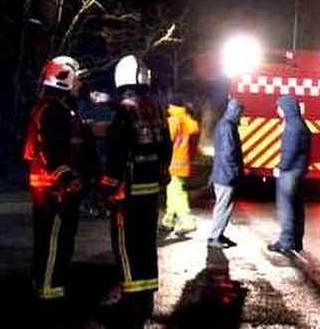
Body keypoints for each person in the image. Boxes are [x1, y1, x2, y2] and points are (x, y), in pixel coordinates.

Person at [100, 55, 171, 318]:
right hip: (150, 188)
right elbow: (166, 146)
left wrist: (108, 185)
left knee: (125, 244)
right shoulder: (155, 107)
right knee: (145, 243)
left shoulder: (124, 109)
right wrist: (162, 174)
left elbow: (117, 151)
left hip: (127, 189)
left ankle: (130, 298)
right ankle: (146, 296)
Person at [22, 56, 85, 301]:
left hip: (58, 186)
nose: (79, 83)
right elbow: (51, 148)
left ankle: (53, 288)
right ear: (63, 78)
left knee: (60, 241)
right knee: (53, 241)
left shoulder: (59, 107)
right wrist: (66, 178)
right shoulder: (51, 109)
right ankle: (47, 292)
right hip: (53, 189)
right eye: (76, 78)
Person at [267, 95, 311, 255]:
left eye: (279, 107)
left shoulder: (292, 126)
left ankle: (286, 242)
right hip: (298, 171)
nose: (278, 110)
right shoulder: (301, 124)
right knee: (297, 207)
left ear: (286, 108)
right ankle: (296, 241)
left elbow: (290, 150)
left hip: (289, 172)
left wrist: (281, 166)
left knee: (286, 208)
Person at [161, 94, 200, 235]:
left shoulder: (173, 121)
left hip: (173, 164)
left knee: (177, 193)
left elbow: (166, 142)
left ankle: (188, 221)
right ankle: (169, 219)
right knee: (173, 192)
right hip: (184, 163)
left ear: (171, 105)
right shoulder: (188, 120)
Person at [207, 97, 243, 249]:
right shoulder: (228, 127)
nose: (241, 116)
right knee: (223, 206)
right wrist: (236, 169)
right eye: (240, 113)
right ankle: (215, 236)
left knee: (223, 205)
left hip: (222, 173)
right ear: (235, 112)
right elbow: (229, 153)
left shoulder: (225, 124)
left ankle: (218, 234)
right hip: (226, 174)